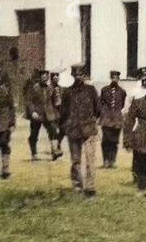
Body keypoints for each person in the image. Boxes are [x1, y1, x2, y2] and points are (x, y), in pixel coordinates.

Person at [61, 65, 101, 196]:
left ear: (84, 76)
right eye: (76, 75)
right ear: (72, 76)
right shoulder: (67, 92)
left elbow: (98, 109)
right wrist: (66, 127)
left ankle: (90, 186)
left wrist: (92, 120)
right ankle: (77, 185)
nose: (79, 77)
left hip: (89, 130)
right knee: (76, 160)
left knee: (90, 159)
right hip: (73, 130)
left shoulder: (91, 90)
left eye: (81, 75)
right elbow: (64, 113)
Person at [25, 70, 61, 160]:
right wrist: (33, 112)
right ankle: (34, 154)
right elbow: (29, 101)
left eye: (46, 76)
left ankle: (54, 151)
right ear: (40, 77)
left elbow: (55, 101)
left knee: (53, 131)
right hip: (37, 115)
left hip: (48, 114)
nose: (45, 78)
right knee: (34, 134)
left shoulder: (51, 88)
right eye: (43, 76)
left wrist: (57, 102)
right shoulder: (34, 88)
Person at [98, 71, 127, 168]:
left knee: (115, 141)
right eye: (113, 77)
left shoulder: (122, 92)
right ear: (110, 78)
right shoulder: (104, 90)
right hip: (106, 119)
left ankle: (113, 161)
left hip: (117, 119)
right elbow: (100, 103)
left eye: (117, 77)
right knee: (106, 140)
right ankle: (106, 160)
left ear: (119, 79)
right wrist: (104, 113)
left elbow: (122, 104)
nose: (115, 79)